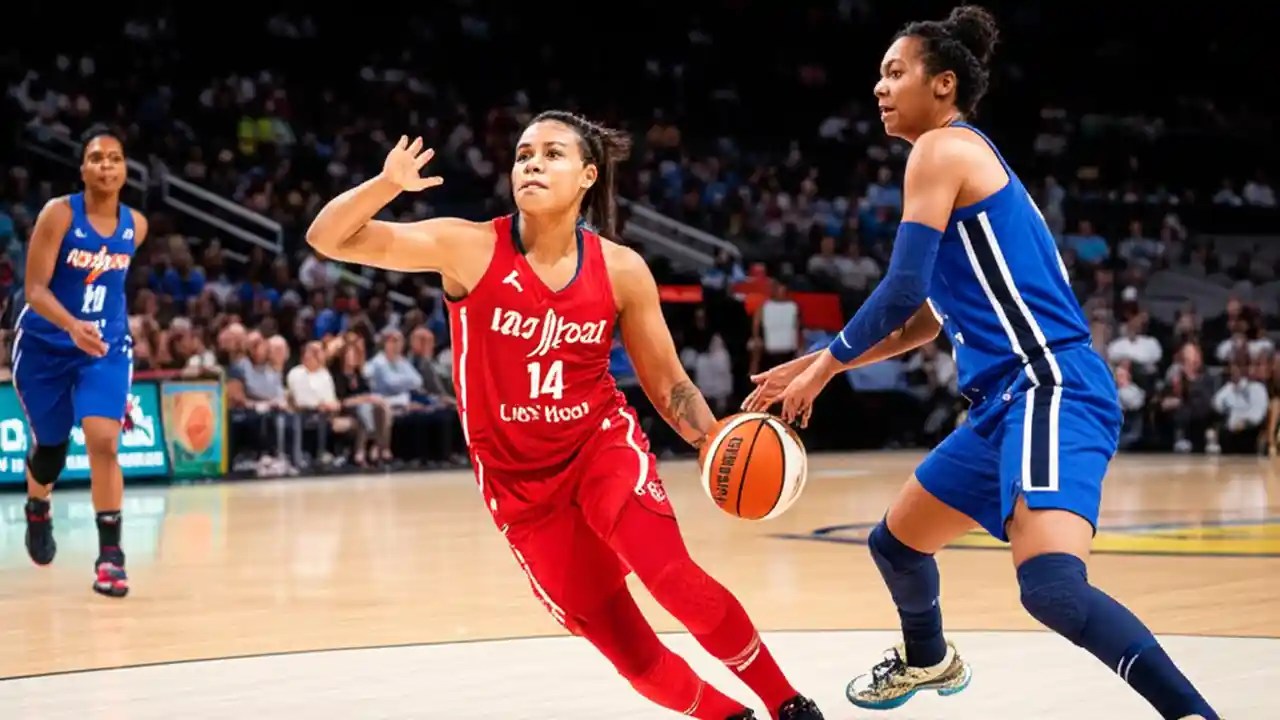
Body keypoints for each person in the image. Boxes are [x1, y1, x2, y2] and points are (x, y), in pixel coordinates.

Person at [747, 6, 1219, 719]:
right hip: (1001, 404)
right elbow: (923, 318)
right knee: (897, 545)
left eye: (895, 72)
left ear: (943, 84)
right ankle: (928, 658)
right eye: (879, 74)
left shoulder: (941, 150)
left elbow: (901, 287)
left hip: (1048, 385)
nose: (879, 87)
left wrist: (823, 368)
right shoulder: (954, 164)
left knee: (1053, 591)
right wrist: (830, 361)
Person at [306, 111, 823, 720]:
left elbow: (667, 382)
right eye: (524, 155)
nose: (532, 164)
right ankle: (730, 717)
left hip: (600, 447)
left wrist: (713, 441)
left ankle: (788, 704)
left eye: (552, 154)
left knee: (673, 578)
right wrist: (387, 184)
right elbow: (327, 238)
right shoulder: (467, 247)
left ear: (587, 175)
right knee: (634, 657)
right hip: (519, 486)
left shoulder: (621, 268)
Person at [13, 126, 148, 598]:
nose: (106, 165)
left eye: (115, 157)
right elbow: (34, 290)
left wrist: (102, 328)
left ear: (125, 168)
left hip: (104, 347)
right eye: (96, 158)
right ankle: (37, 505)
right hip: (45, 345)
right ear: (83, 169)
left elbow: (112, 289)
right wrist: (72, 325)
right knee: (50, 450)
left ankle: (111, 557)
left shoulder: (136, 225)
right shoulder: (59, 214)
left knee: (103, 440)